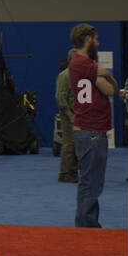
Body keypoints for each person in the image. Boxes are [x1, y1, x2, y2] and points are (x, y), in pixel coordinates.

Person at [68, 24, 115, 228]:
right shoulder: (84, 64)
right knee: (90, 183)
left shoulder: (82, 65)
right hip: (91, 131)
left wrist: (105, 77)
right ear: (88, 39)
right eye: (96, 39)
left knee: (92, 182)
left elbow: (108, 87)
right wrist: (106, 75)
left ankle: (89, 223)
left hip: (91, 130)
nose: (98, 43)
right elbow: (111, 88)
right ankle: (86, 226)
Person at [55, 54, 77, 183]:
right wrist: (70, 114)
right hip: (69, 113)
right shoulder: (64, 75)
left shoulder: (77, 73)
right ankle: (65, 173)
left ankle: (72, 170)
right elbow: (60, 97)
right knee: (70, 143)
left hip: (76, 113)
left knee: (75, 143)